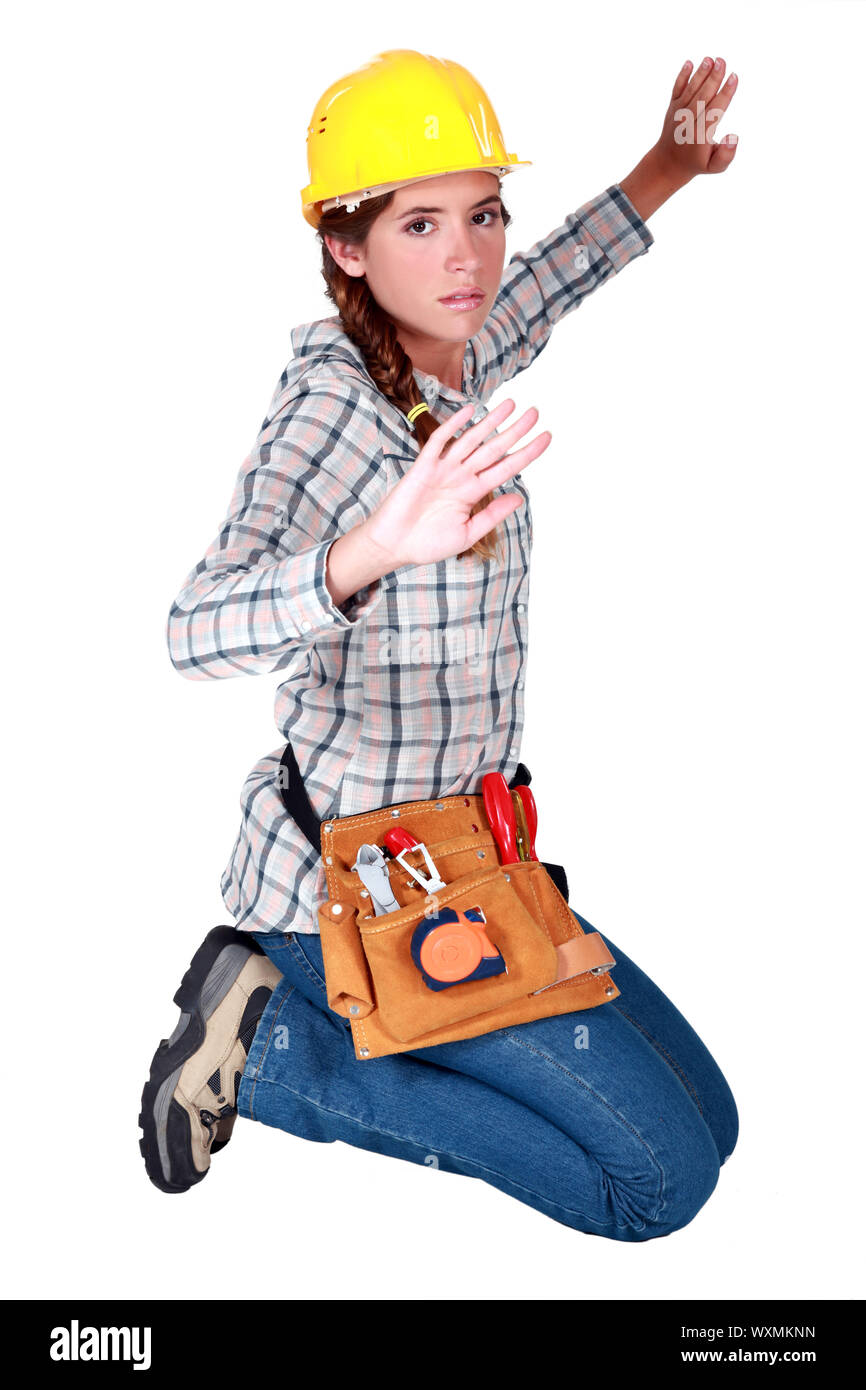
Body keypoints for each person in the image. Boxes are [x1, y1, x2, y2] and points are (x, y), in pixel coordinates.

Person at [139, 49, 740, 1240]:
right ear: (346, 247)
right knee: (654, 1189)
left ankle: (320, 1038)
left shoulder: (437, 355)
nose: (465, 256)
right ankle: (267, 1058)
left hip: (468, 860)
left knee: (708, 1123)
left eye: (482, 213)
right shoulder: (337, 407)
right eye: (419, 224)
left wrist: (668, 166)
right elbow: (191, 631)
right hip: (350, 898)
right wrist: (370, 549)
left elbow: (551, 280)